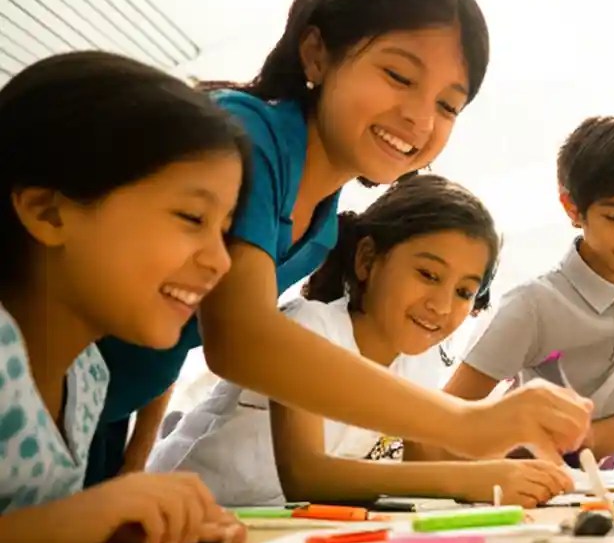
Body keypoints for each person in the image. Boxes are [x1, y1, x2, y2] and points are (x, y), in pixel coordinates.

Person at [88, 0, 591, 487]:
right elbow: (239, 340)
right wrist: (468, 423)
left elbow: (181, 330)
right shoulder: (245, 139)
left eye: (448, 105)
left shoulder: (321, 226)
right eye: (399, 75)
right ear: (316, 54)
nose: (419, 117)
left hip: (97, 423)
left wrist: (131, 464)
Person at [149, 175, 572, 508]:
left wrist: (518, 463)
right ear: (368, 259)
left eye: (464, 292)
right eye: (428, 275)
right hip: (184, 518)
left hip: (272, 537)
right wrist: (471, 480)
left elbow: (426, 464)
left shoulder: (417, 364)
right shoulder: (309, 326)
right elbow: (306, 474)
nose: (442, 305)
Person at [0, 52, 247, 543]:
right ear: (48, 212)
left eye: (224, 229)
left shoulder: (88, 378)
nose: (221, 261)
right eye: (191, 216)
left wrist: (103, 529)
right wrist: (80, 519)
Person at [444, 116, 614, 464]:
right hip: (514, 479)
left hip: (593, 485)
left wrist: (568, 446)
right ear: (572, 208)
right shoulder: (533, 305)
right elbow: (448, 413)